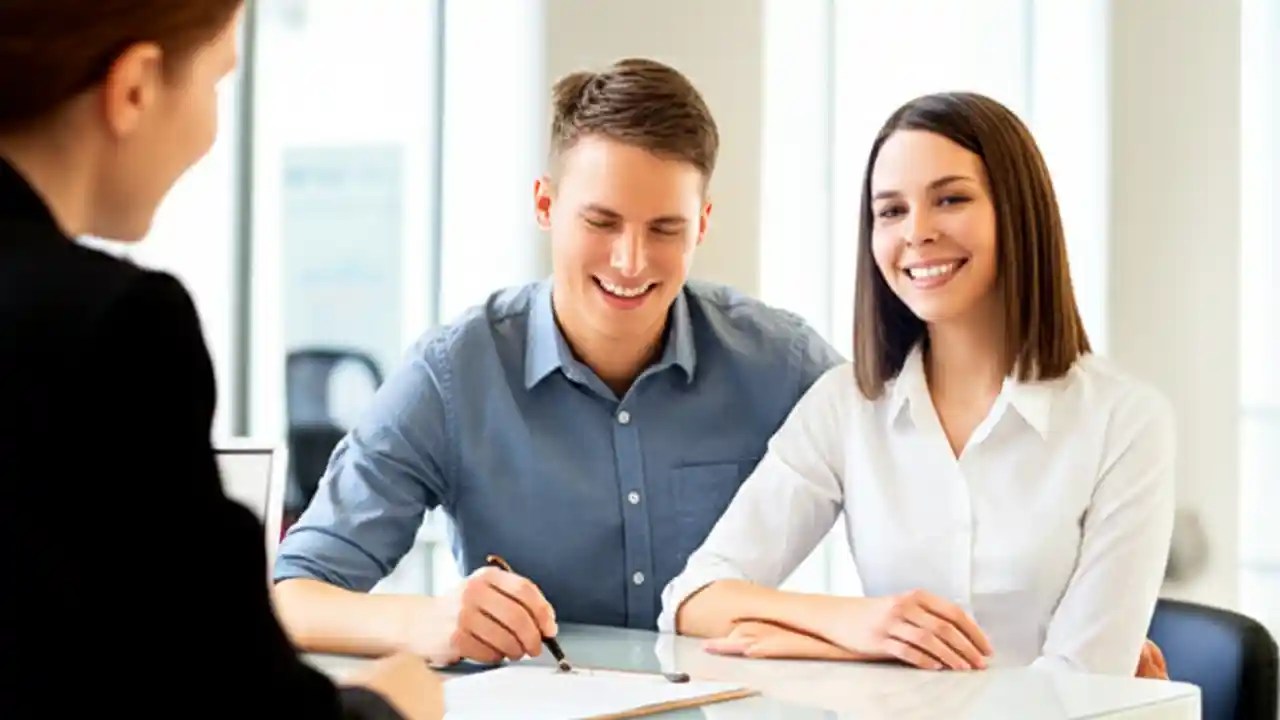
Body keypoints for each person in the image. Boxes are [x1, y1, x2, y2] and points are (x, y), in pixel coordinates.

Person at [270, 57, 843, 666]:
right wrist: (427, 620)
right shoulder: (452, 376)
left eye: (664, 230)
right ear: (545, 205)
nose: (630, 260)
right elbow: (295, 596)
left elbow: (915, 451)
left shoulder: (782, 362)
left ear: (702, 224)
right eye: (601, 221)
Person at [0, 2, 440, 717]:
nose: (210, 133)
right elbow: (230, 690)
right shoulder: (112, 326)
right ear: (136, 87)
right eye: (216, 84)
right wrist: (390, 704)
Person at [658, 91, 1177, 678]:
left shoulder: (1125, 421)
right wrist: (856, 629)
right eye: (891, 211)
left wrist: (858, 652)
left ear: (1017, 210)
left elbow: (1076, 686)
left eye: (950, 199)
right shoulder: (847, 404)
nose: (917, 232)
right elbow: (694, 599)